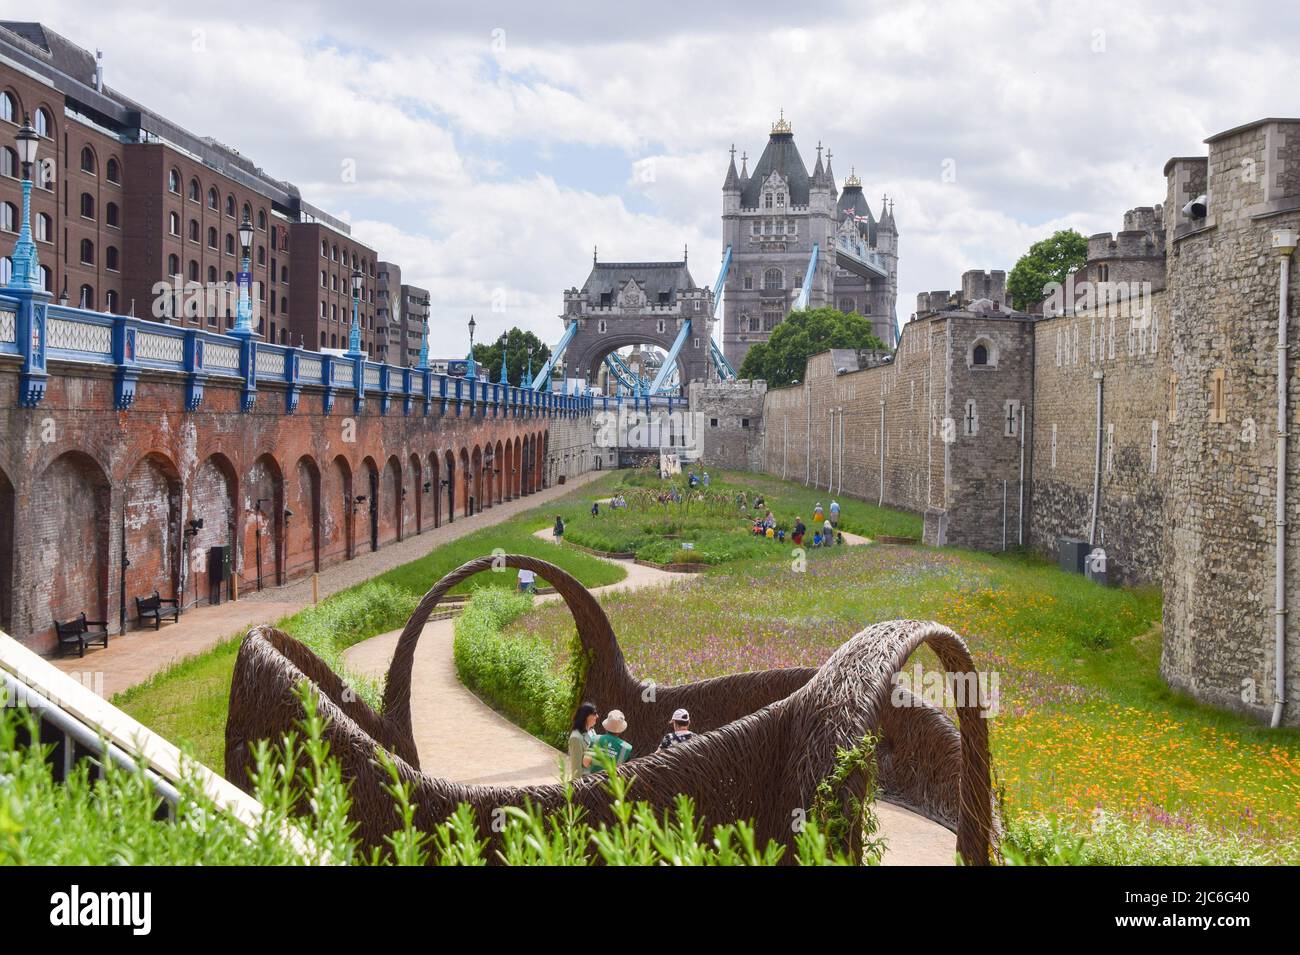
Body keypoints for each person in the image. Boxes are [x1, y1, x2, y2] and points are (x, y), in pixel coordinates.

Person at [568, 702, 599, 779]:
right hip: (584, 782)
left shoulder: (592, 731)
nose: (597, 716)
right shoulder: (575, 738)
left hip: (594, 778)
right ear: (587, 716)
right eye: (594, 714)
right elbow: (576, 768)